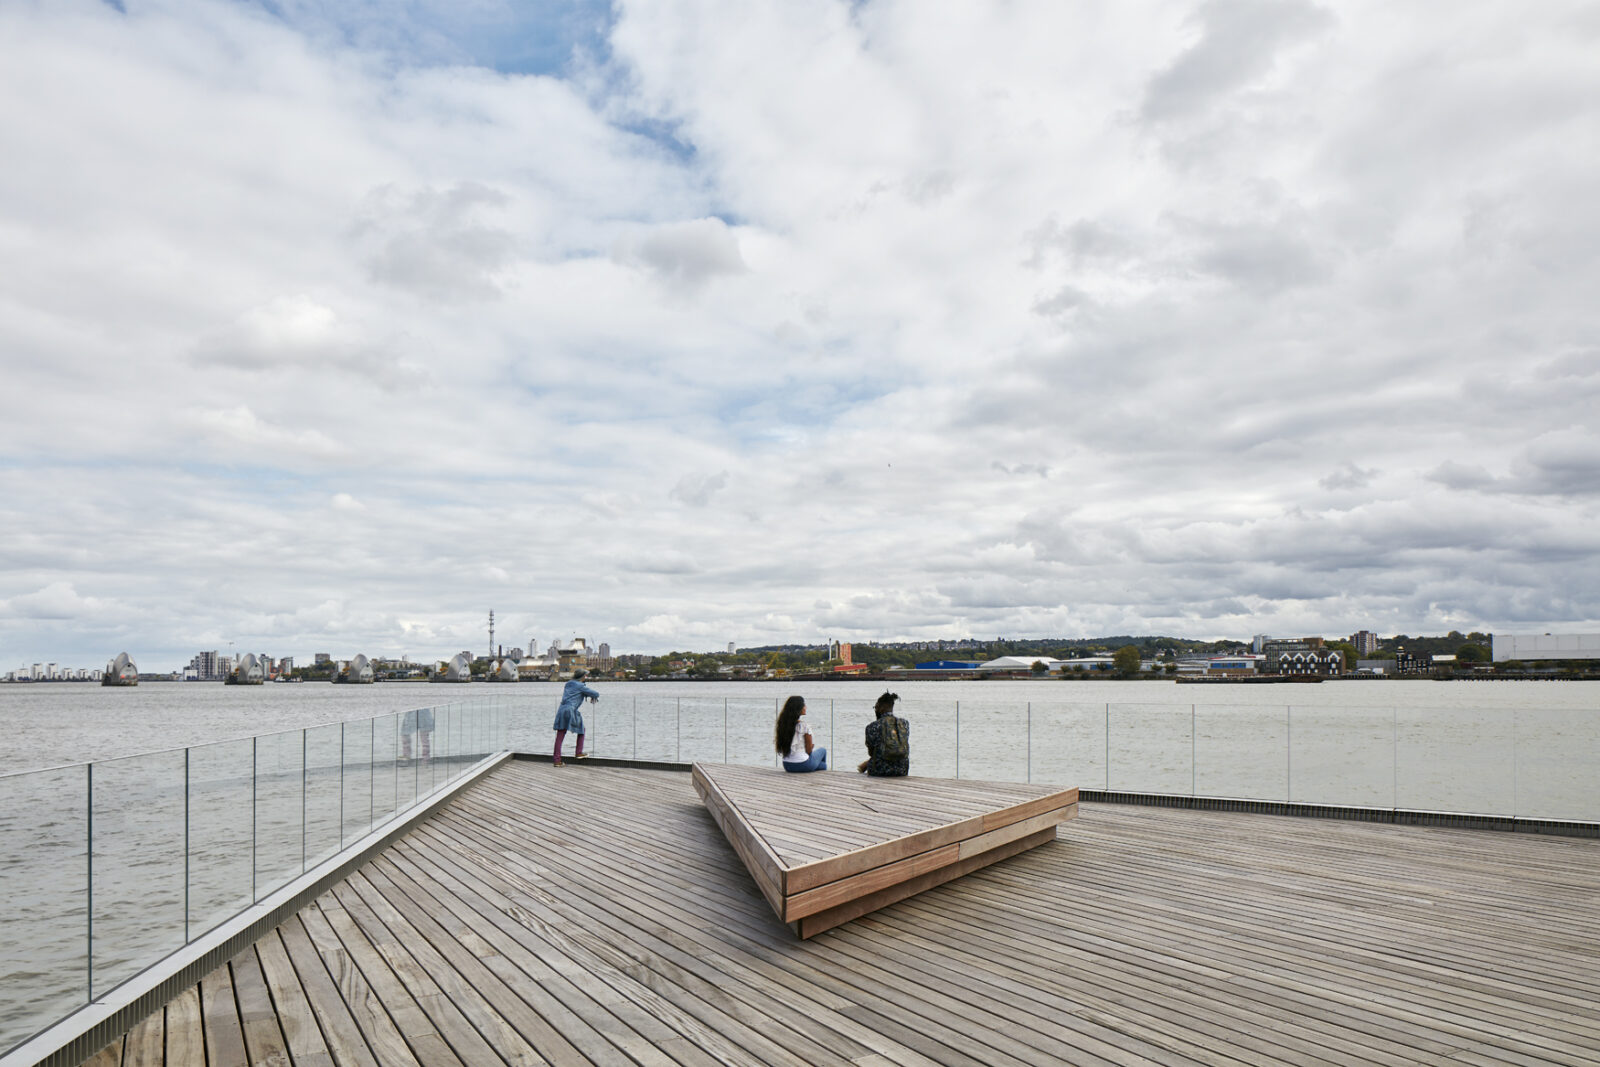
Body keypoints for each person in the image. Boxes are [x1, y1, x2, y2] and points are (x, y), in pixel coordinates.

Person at [552, 669, 599, 767]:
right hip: (570, 710)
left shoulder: (568, 684)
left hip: (561, 710)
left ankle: (557, 760)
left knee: (560, 735)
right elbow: (595, 694)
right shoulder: (581, 686)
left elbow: (574, 693)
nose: (586, 678)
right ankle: (578, 752)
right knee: (582, 730)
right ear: (582, 677)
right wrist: (591, 696)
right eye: (585, 676)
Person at [858, 691, 909, 776]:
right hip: (902, 770)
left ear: (881, 708)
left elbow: (871, 753)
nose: (875, 710)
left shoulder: (872, 726)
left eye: (876, 707)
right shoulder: (904, 724)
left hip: (880, 771)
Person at [775, 694, 827, 773]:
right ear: (798, 708)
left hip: (787, 765)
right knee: (823, 751)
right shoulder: (804, 726)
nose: (805, 707)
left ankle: (817, 766)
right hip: (803, 764)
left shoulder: (782, 725)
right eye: (804, 705)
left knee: (822, 765)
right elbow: (809, 750)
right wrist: (810, 748)